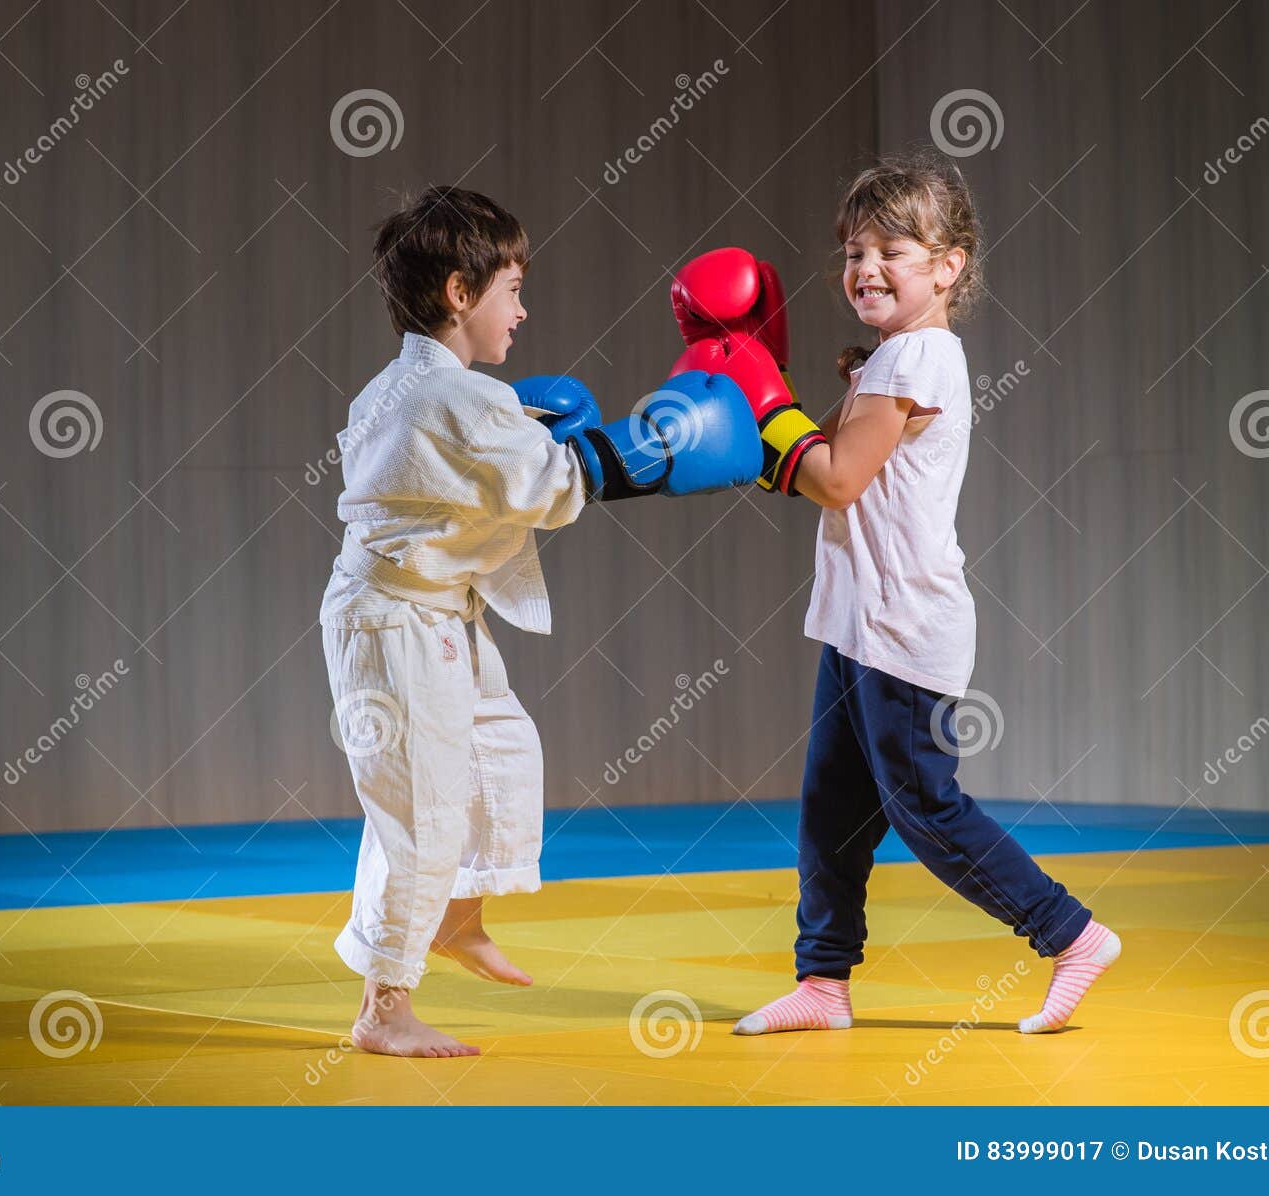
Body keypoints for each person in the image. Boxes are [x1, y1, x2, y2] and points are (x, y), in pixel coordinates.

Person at [665, 156, 1120, 1038]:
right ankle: (823, 982)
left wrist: (760, 394)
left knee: (926, 808)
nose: (866, 268)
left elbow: (834, 479)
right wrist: (752, 406)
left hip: (905, 627)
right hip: (859, 623)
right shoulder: (890, 358)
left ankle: (1071, 934)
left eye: (891, 251)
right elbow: (808, 469)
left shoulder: (915, 357)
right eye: (853, 252)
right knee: (831, 811)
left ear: (948, 267)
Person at [321, 185, 764, 1057]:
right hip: (395, 623)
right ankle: (384, 1009)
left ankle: (455, 917)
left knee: (501, 751)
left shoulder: (417, 391)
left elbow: (462, 471)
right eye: (513, 290)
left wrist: (524, 425)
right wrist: (658, 442)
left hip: (430, 613)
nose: (523, 311)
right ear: (460, 292)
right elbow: (553, 487)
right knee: (419, 808)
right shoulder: (454, 399)